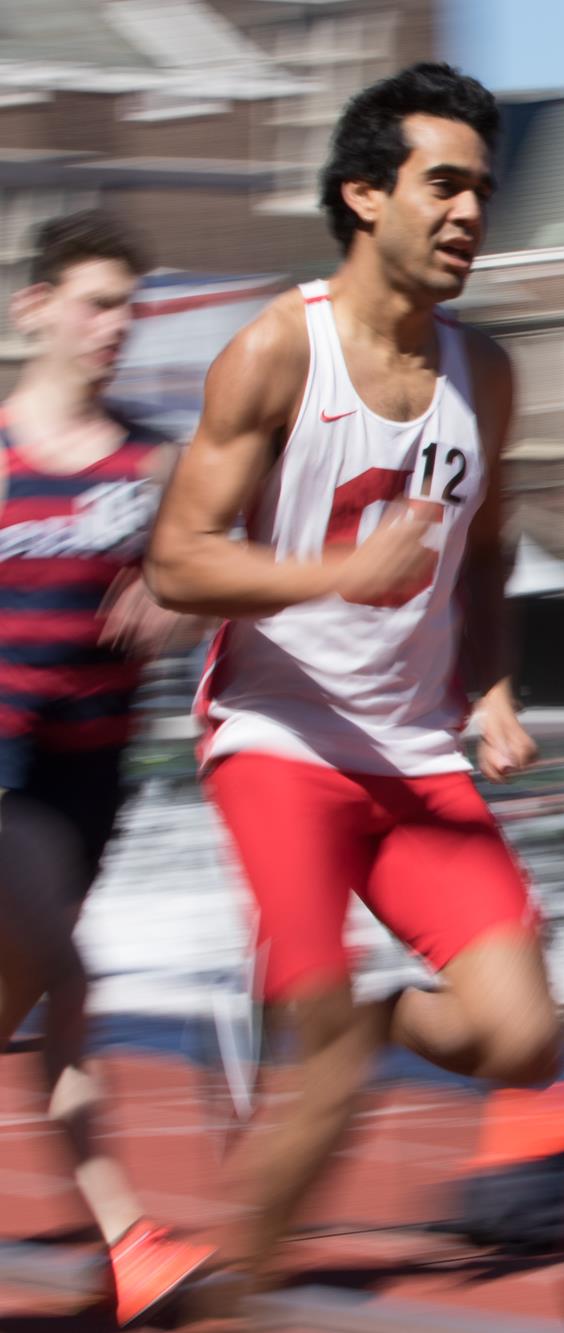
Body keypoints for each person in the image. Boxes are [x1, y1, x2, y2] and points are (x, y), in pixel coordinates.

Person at [143, 62, 561, 1302]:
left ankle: (372, 1021)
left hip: (416, 752)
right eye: (443, 186)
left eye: (483, 190)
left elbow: (483, 559)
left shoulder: (486, 375)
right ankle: (231, 1303)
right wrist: (334, 572)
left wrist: (488, 686)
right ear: (363, 195)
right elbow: (176, 561)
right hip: (277, 738)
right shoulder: (278, 350)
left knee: (525, 1039)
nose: (470, 214)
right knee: (323, 1061)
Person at [0, 210, 215, 1327]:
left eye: (130, 306)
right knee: (76, 986)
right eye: (94, 302)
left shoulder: (151, 461)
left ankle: (121, 1252)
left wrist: (174, 602)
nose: (115, 326)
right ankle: (132, 1241)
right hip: (6, 771)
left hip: (91, 782)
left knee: (26, 1010)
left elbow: (204, 581)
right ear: (35, 305)